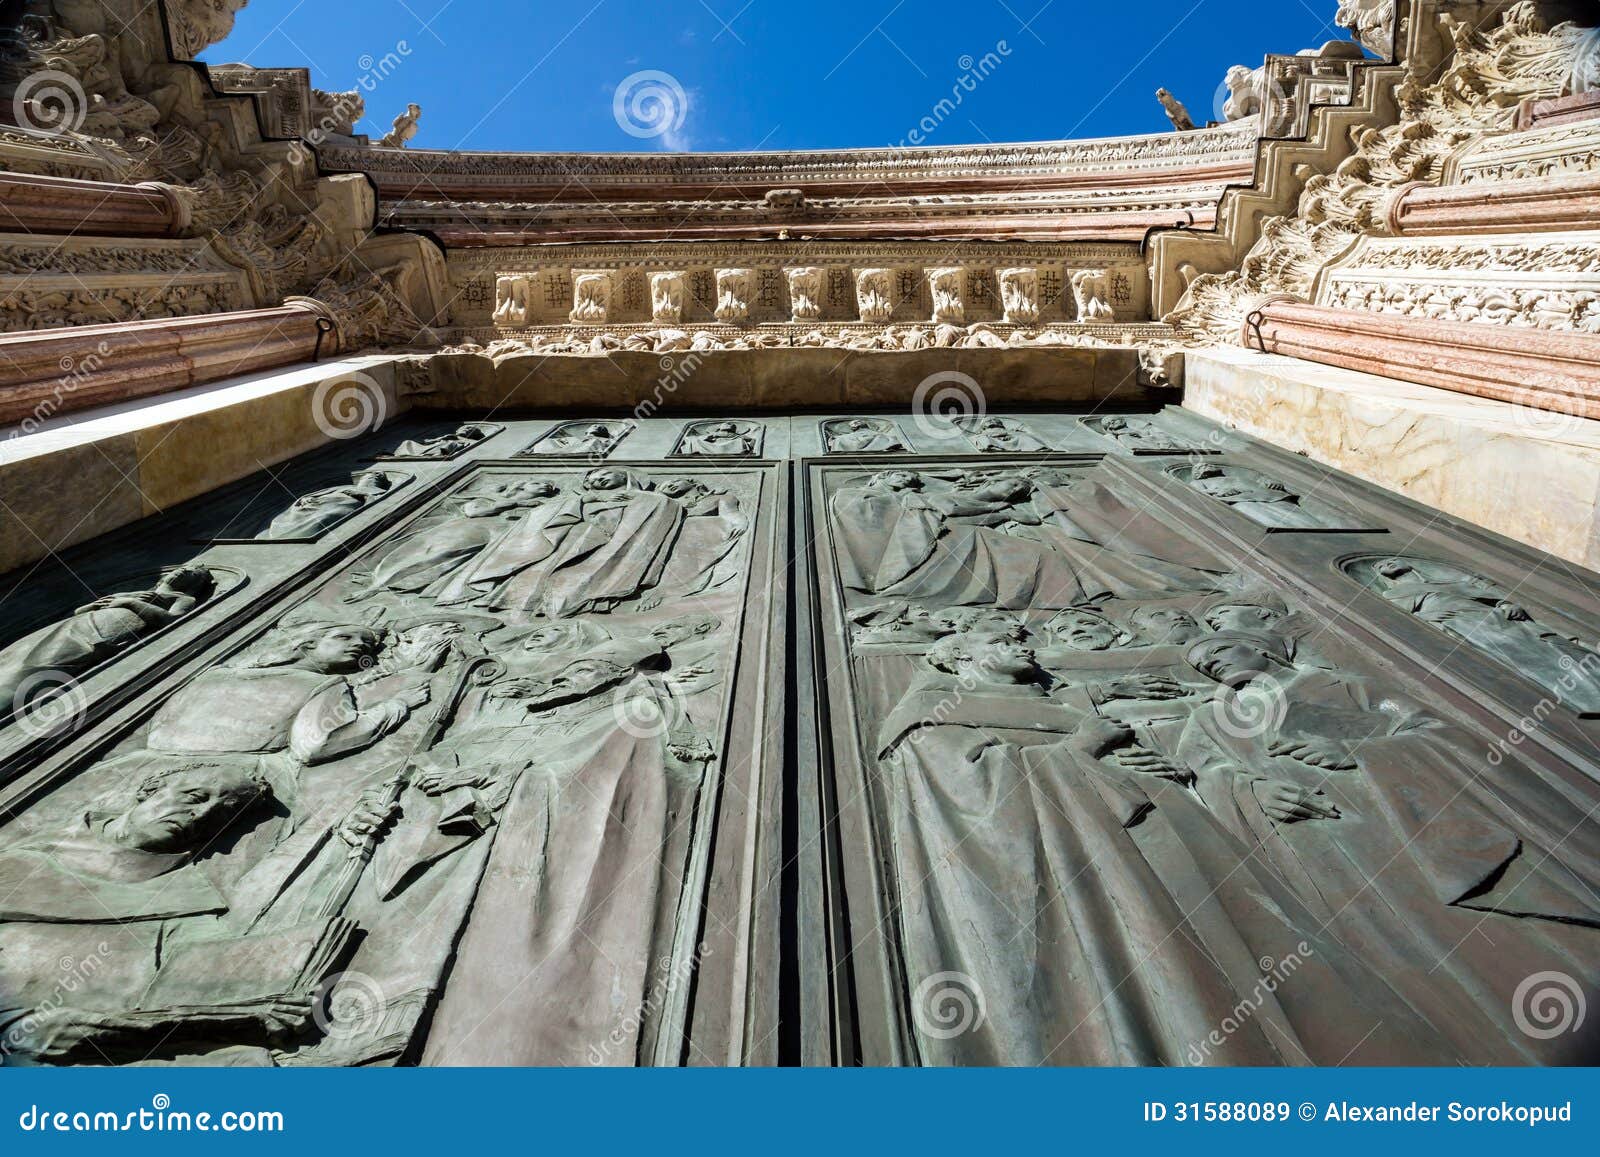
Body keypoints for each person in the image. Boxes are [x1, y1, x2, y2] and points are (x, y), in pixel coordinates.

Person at [0, 566, 215, 715]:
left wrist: (130, 602)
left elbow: (172, 621)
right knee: (18, 656)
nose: (182, 571)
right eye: (183, 568)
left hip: (102, 632)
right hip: (82, 622)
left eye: (191, 572)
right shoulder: (139, 591)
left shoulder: (183, 598)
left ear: (194, 582)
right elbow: (79, 610)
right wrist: (95, 606)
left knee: (38, 666)